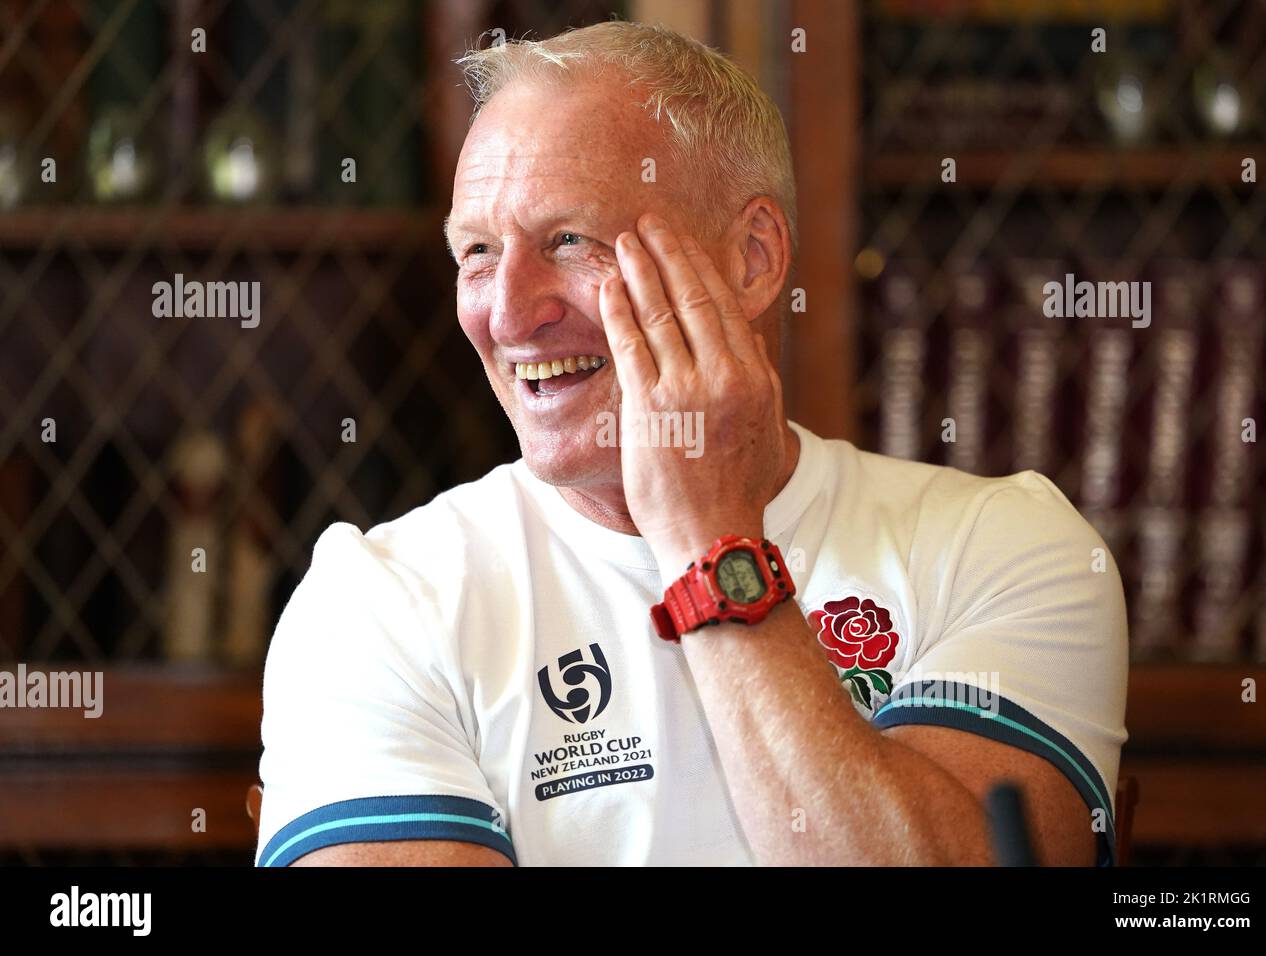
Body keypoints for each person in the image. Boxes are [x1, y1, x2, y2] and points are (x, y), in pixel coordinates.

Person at [255, 20, 1127, 867]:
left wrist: (710, 540)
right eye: (478, 252)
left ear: (752, 258)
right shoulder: (378, 602)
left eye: (568, 239)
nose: (510, 313)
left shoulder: (1005, 547)